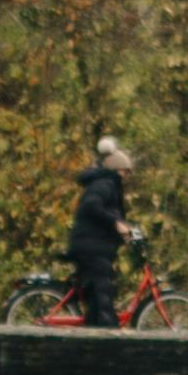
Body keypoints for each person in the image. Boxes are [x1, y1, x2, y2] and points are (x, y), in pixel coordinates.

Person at [67, 130, 135, 327]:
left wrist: (125, 230)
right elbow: (91, 207)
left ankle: (96, 333)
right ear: (116, 170)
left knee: (98, 298)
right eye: (125, 171)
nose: (127, 176)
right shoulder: (105, 184)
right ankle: (106, 334)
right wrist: (116, 224)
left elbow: (108, 213)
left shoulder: (106, 184)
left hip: (93, 246)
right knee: (102, 294)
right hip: (92, 248)